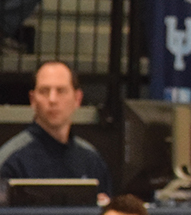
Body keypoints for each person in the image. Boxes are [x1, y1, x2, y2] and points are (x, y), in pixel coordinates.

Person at [0, 61, 111, 204]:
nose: (52, 99)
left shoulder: (91, 160)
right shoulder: (10, 160)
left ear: (77, 99)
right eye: (44, 91)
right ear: (33, 100)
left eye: (61, 91)